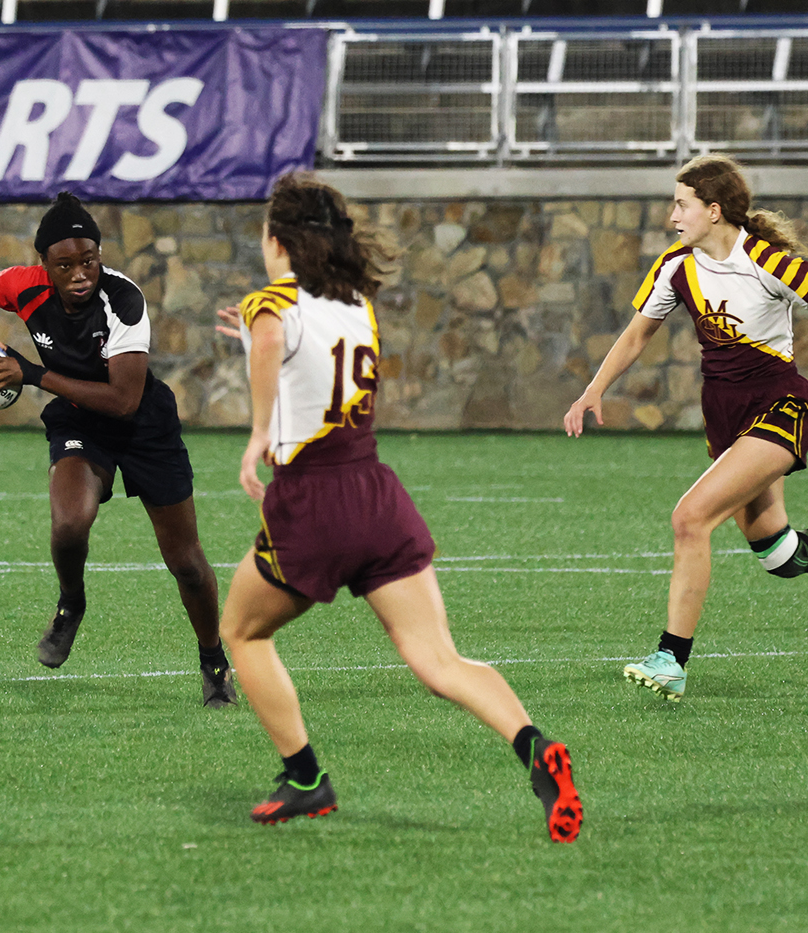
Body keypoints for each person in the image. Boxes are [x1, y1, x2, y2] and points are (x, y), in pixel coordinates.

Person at [214, 172, 582, 842]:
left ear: (280, 240)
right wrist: (254, 341)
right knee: (440, 660)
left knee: (242, 631)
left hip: (316, 500)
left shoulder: (270, 302)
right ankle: (534, 748)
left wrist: (258, 433)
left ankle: (304, 778)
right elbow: (303, 355)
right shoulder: (357, 300)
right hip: (374, 491)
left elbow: (273, 341)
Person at [565, 154, 808, 703]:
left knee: (690, 518)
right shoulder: (675, 265)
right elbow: (638, 333)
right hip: (725, 415)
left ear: (713, 211)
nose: (672, 215)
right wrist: (595, 388)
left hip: (778, 403)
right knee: (779, 554)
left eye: (681, 204)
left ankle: (671, 658)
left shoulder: (768, 262)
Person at [0, 191, 236, 708]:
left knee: (187, 563)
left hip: (142, 423)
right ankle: (71, 604)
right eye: (65, 265)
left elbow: (124, 399)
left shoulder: (123, 299)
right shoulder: (24, 286)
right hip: (78, 418)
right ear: (45, 266)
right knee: (68, 523)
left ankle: (213, 660)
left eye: (89, 259)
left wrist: (33, 374)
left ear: (100, 255)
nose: (81, 272)